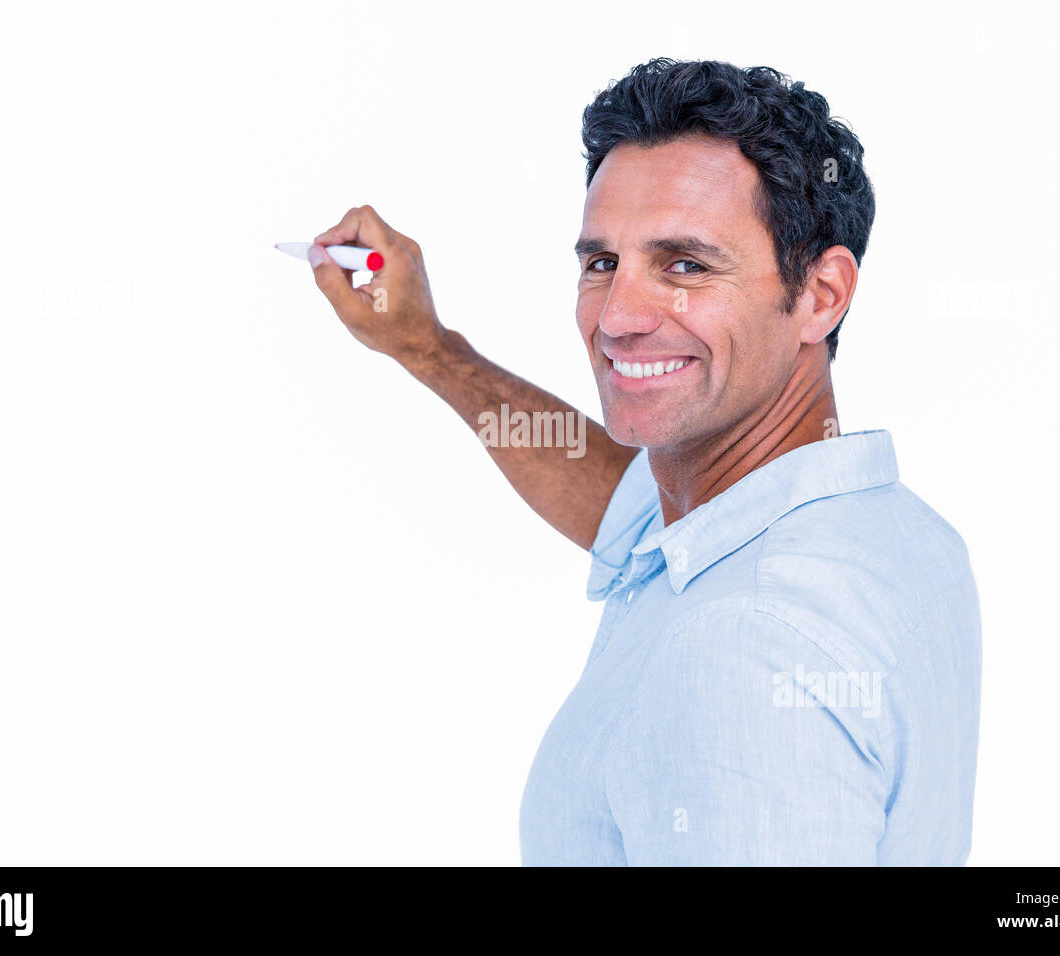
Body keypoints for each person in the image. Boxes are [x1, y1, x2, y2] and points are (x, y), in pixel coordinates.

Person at [307, 58, 981, 866]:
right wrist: (428, 345)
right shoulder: (872, 529)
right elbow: (628, 513)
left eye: (686, 265)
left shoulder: (746, 650)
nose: (618, 317)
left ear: (821, 294)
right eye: (602, 263)